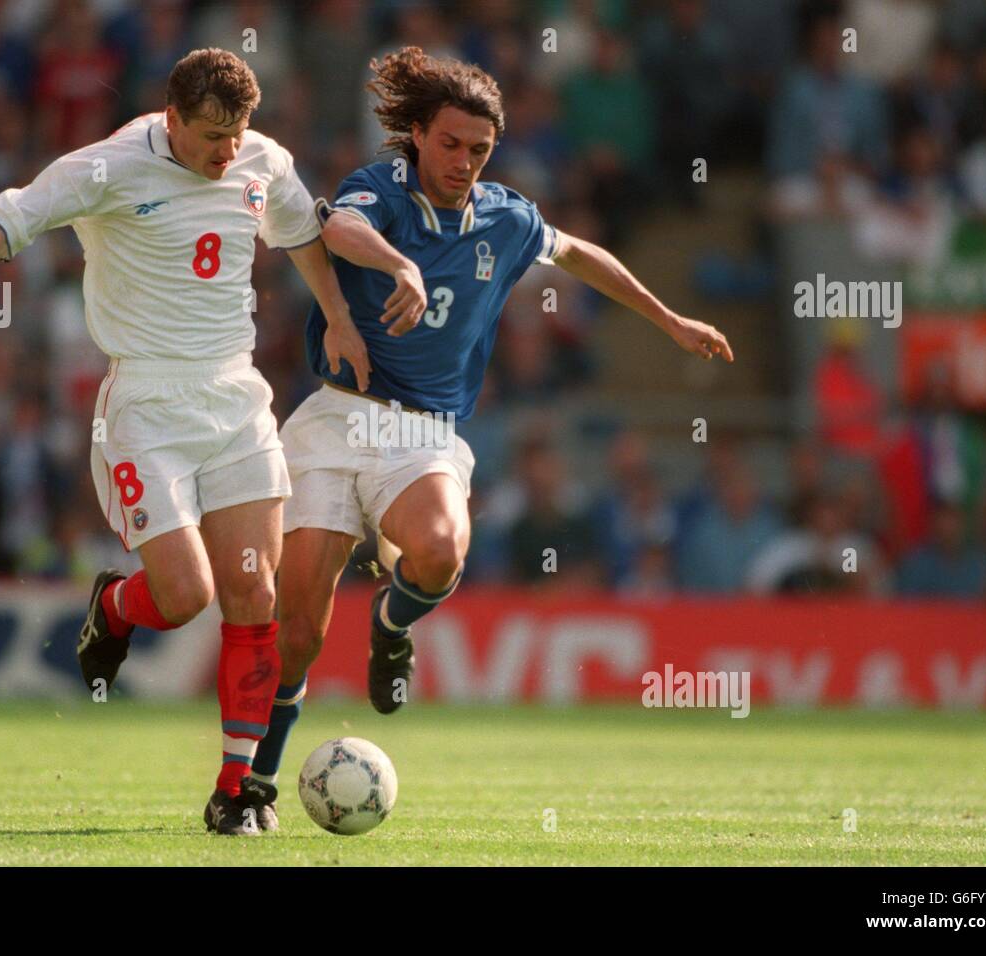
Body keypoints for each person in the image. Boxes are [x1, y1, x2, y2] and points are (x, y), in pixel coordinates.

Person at [243, 47, 733, 829]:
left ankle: (393, 625)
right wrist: (401, 264)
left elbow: (579, 254)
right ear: (417, 135)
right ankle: (253, 788)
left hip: (423, 433)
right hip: (336, 420)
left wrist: (668, 319)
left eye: (479, 149)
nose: (463, 162)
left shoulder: (506, 218)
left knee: (439, 551)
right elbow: (335, 230)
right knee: (297, 631)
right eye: (449, 144)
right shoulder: (384, 190)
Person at [0, 49, 370, 836]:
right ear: (171, 119)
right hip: (147, 405)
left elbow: (301, 231)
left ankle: (236, 791)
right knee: (185, 595)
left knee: (254, 593)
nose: (225, 153)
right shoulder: (111, 166)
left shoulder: (260, 159)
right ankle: (118, 608)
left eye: (235, 135)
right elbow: (12, 213)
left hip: (234, 398)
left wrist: (334, 314)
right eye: (208, 138)